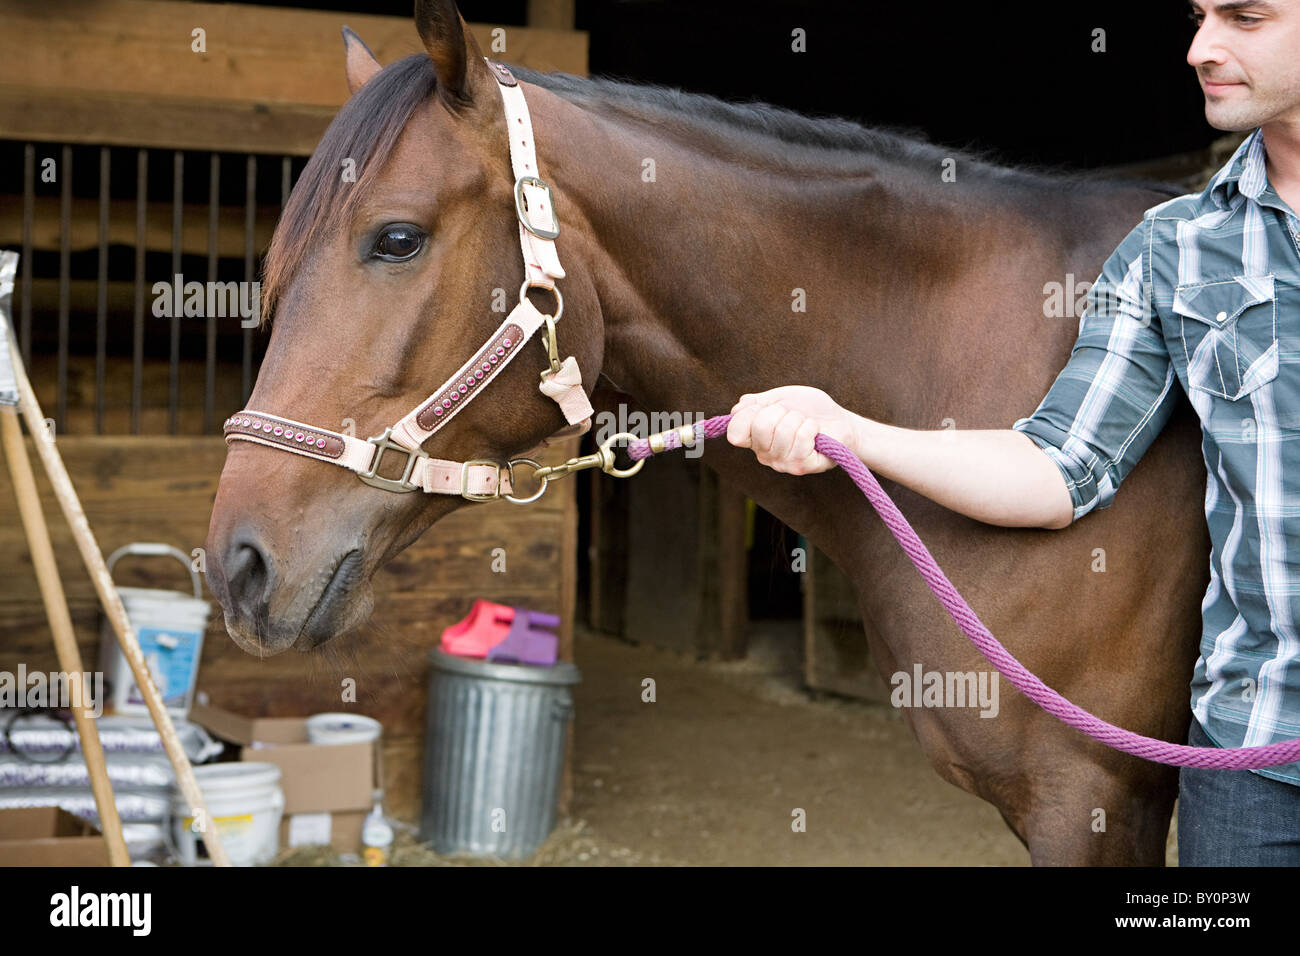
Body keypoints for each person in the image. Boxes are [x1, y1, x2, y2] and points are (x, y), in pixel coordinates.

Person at [727, 0, 1300, 866]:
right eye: (1198, 16)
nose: (1197, 48)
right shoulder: (1175, 251)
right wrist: (848, 429)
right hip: (1249, 757)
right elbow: (1057, 467)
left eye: (1245, 18)